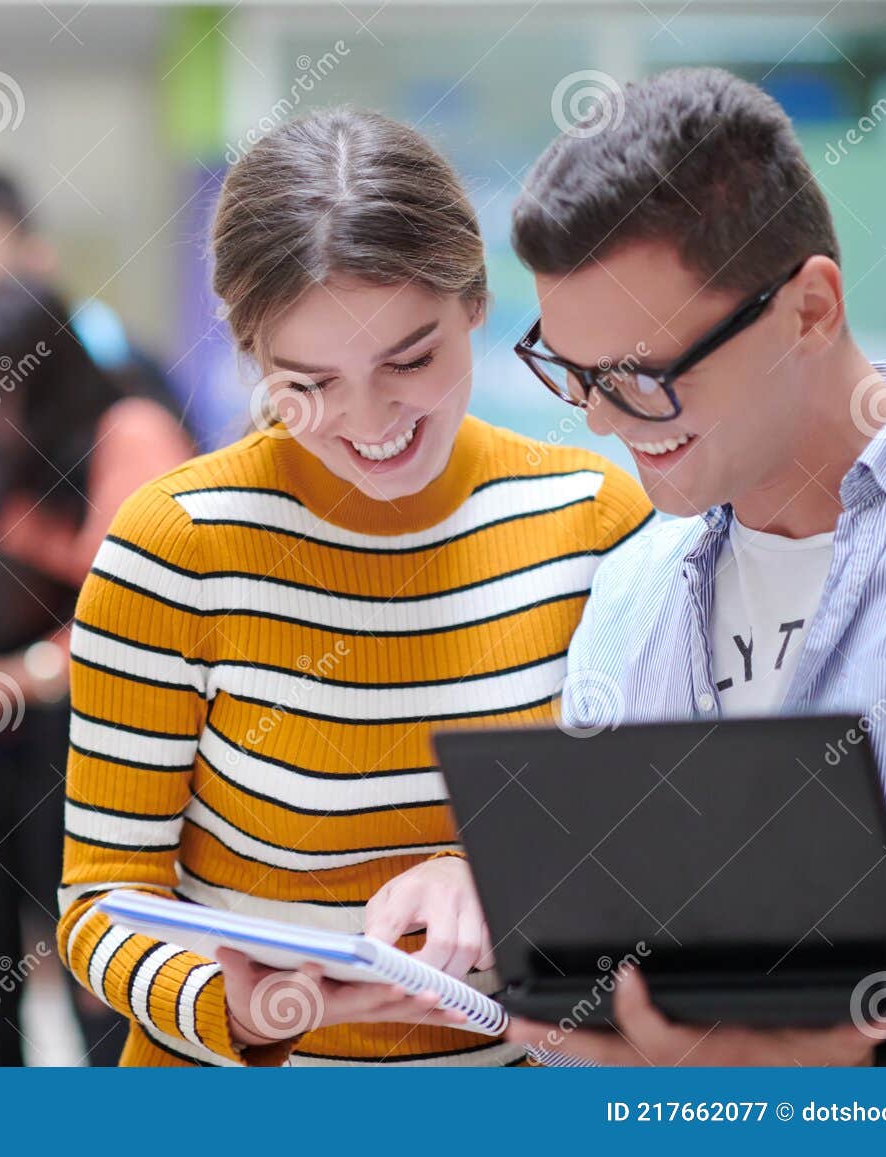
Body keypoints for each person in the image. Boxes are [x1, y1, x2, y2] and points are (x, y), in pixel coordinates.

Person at [55, 109, 653, 1067]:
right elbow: (99, 904)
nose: (368, 421)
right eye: (308, 382)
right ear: (252, 357)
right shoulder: (176, 548)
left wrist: (502, 874)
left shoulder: (594, 519)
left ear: (476, 303)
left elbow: (650, 836)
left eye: (409, 360)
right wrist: (243, 1007)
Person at [501, 66, 886, 1067]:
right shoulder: (627, 594)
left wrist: (851, 1080)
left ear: (810, 308)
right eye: (576, 376)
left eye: (644, 378)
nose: (604, 421)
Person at [0, 277, 196, 1064]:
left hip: (106, 744)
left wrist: (26, 674)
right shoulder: (21, 443)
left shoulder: (131, 432)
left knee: (101, 984)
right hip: (9, 749)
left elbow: (138, 617)